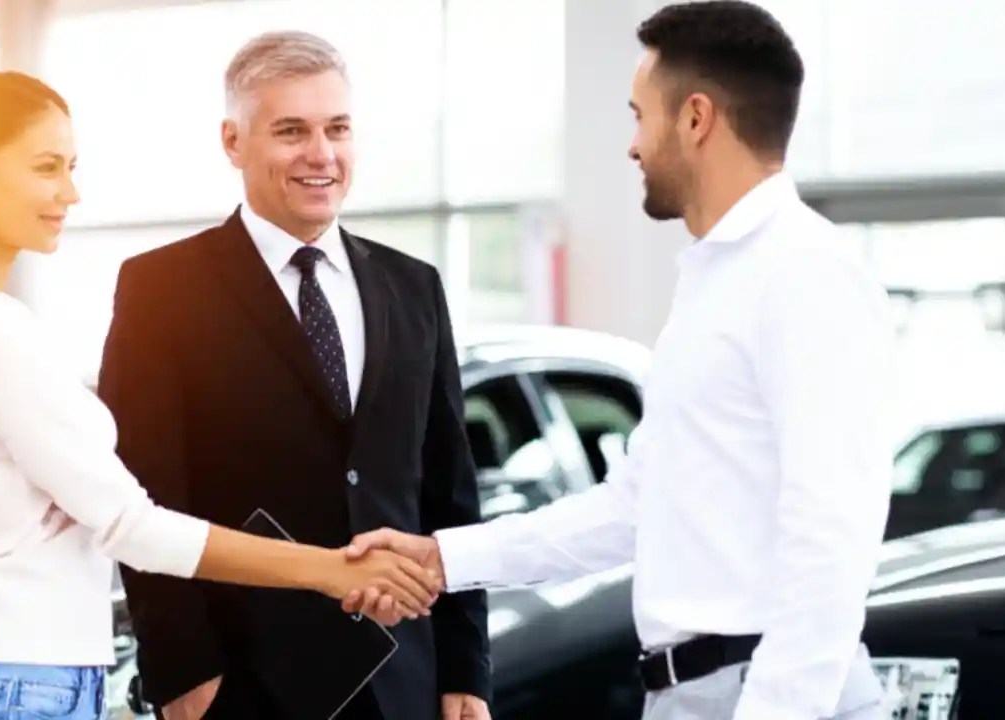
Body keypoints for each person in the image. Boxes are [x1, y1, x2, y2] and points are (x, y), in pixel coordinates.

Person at [345, 2, 897, 719]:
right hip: (697, 692)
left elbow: (832, 540)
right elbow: (634, 506)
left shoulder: (805, 272)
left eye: (640, 116)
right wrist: (443, 559)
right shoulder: (715, 280)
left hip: (765, 692)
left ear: (695, 118)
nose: (633, 147)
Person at [0, 70, 440, 720]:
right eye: (45, 168)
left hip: (24, 682)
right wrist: (332, 571)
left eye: (71, 167)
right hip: (17, 689)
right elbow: (131, 525)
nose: (69, 193)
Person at [97, 31, 490, 720]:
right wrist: (185, 677)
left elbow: (449, 492)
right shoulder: (162, 289)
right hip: (246, 685)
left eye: (338, 128)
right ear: (233, 141)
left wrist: (466, 671)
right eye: (291, 131)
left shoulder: (414, 287)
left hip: (406, 680)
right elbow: (145, 495)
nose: (321, 154)